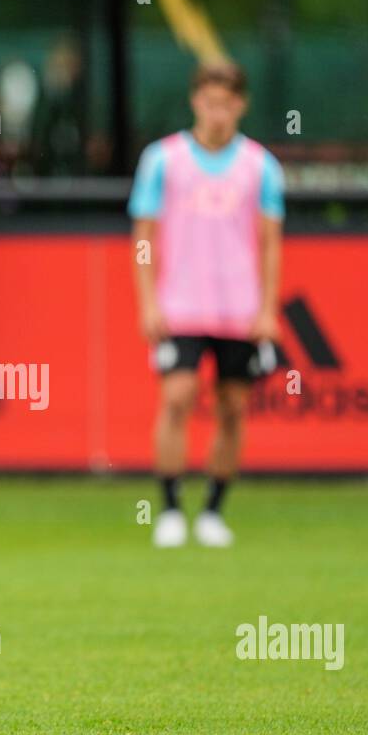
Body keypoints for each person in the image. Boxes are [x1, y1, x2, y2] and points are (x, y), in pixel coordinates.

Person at [129, 63, 285, 549]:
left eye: (227, 103)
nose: (218, 113)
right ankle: (171, 508)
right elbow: (143, 237)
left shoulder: (261, 166)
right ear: (195, 101)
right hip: (181, 304)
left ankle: (214, 510)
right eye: (209, 102)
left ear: (242, 105)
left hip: (238, 306)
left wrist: (267, 307)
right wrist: (149, 300)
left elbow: (270, 243)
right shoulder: (162, 160)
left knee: (233, 409)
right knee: (176, 397)